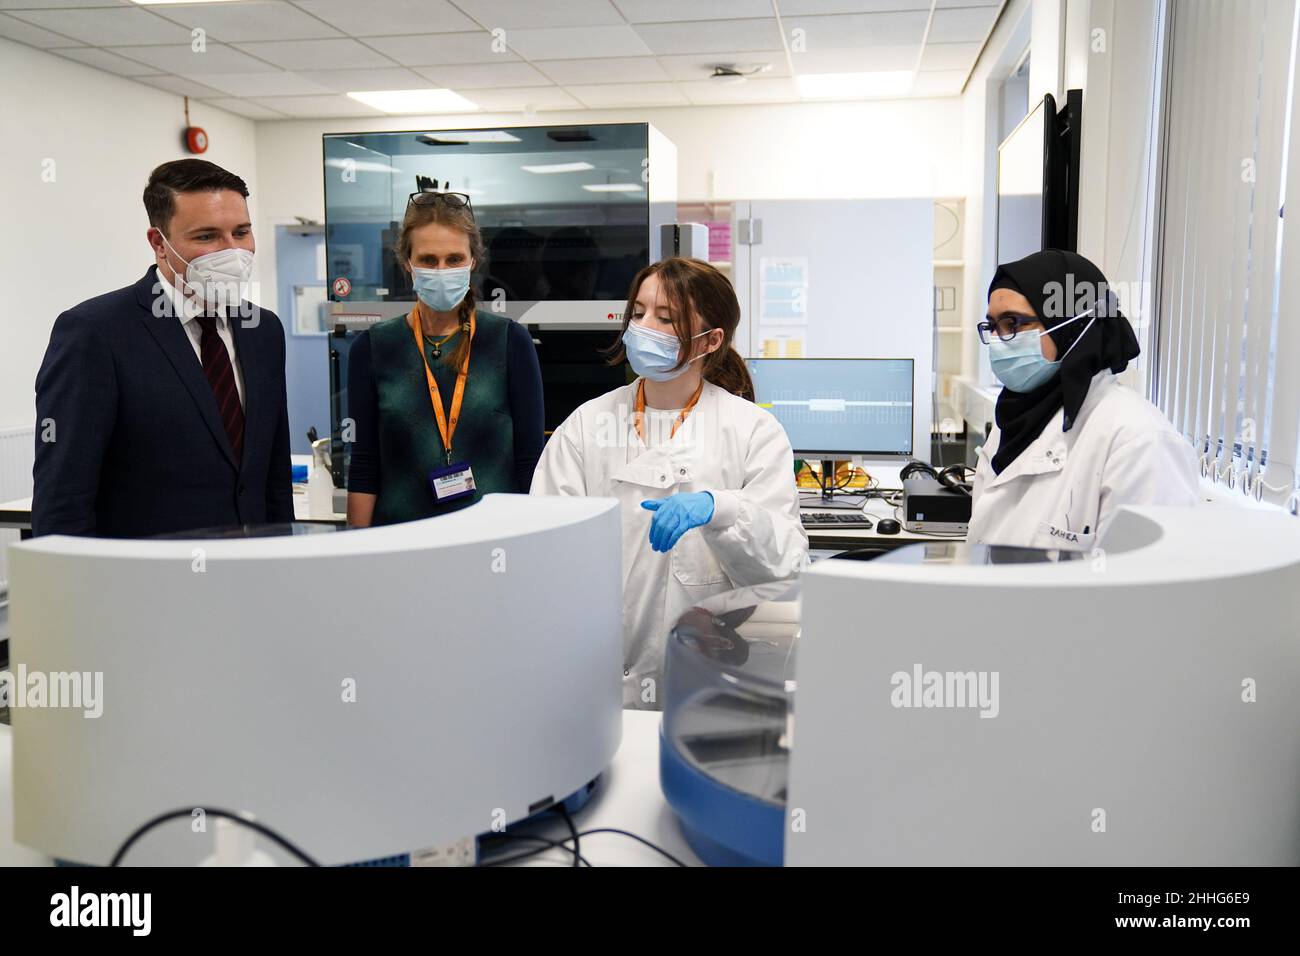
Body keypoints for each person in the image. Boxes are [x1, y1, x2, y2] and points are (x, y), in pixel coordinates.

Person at [531, 256, 808, 709]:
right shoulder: (587, 424)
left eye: (666, 318)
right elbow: (543, 548)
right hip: (593, 676)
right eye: (638, 313)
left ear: (711, 339)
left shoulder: (751, 430)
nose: (643, 327)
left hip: (705, 681)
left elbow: (784, 569)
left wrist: (722, 509)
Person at [33, 159, 292, 537]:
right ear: (159, 243)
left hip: (249, 570)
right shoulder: (96, 333)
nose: (233, 251)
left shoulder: (263, 330)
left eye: (241, 232)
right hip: (144, 578)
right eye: (207, 237)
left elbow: (272, 474)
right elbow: (63, 495)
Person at [968, 249, 1198, 550]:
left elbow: (1150, 586)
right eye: (993, 327)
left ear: (1072, 324)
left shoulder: (1139, 440)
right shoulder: (1013, 421)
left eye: (1013, 324)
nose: (999, 341)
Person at [346, 191, 544, 527]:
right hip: (400, 543)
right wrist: (356, 555)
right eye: (428, 260)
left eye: (454, 259)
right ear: (407, 263)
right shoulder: (373, 348)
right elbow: (365, 465)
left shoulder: (510, 342)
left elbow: (530, 463)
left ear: (473, 262)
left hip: (491, 542)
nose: (441, 270)